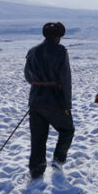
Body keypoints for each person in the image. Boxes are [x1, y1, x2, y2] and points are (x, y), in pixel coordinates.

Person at [23, 21, 74, 179]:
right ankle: (58, 160)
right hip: (55, 100)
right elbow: (65, 79)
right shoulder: (60, 51)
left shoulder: (32, 51)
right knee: (67, 130)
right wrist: (67, 104)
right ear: (58, 37)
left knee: (38, 137)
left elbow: (27, 76)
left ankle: (36, 171)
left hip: (36, 100)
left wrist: (39, 84)